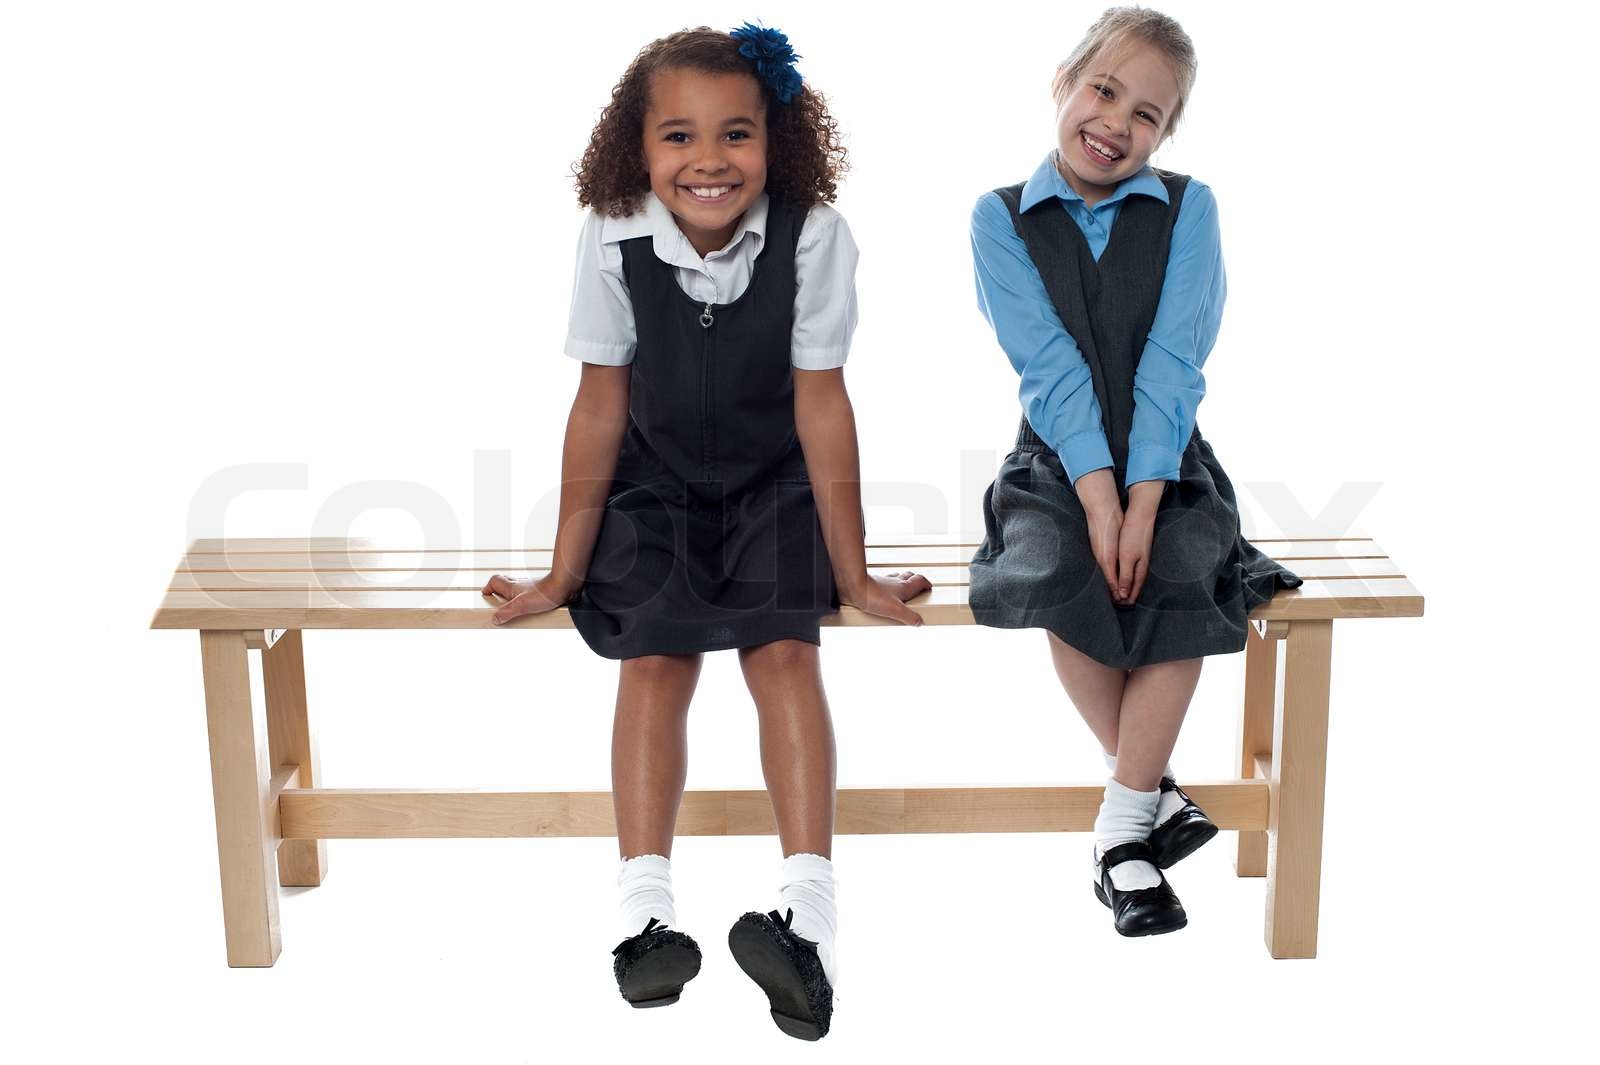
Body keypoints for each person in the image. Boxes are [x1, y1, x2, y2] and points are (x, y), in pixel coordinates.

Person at [481, 23, 930, 1040]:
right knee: (653, 657)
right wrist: (561, 571)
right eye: (678, 136)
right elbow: (599, 402)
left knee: (784, 652)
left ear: (775, 140)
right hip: (655, 489)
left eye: (736, 133)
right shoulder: (613, 232)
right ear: (637, 148)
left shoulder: (815, 236)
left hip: (777, 486)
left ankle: (806, 922)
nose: (708, 159)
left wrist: (855, 573)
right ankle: (643, 920)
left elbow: (822, 402)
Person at [967, 6, 1304, 938]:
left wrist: (1145, 496)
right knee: (1053, 569)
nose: (1115, 122)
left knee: (1184, 566)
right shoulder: (999, 217)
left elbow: (1174, 359)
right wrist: (1097, 496)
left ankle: (1121, 831)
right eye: (1103, 90)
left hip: (1170, 456)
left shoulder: (1191, 209)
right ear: (1064, 83)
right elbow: (1048, 365)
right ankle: (1152, 798)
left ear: (1167, 131)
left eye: (1146, 114)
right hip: (1055, 460)